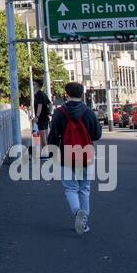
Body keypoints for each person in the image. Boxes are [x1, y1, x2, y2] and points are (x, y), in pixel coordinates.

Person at [46, 81, 102, 235]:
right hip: (86, 155)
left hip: (66, 155)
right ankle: (84, 223)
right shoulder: (89, 112)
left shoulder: (60, 112)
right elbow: (97, 135)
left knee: (71, 188)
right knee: (85, 189)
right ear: (82, 94)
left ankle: (77, 212)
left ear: (66, 94)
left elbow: (53, 136)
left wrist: (52, 154)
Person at [32, 88, 52, 155]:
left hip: (41, 118)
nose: (33, 86)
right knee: (45, 136)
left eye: (34, 84)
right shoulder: (44, 94)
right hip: (45, 117)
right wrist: (49, 112)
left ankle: (45, 153)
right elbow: (50, 104)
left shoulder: (38, 95)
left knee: (42, 136)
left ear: (37, 85)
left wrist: (37, 116)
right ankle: (47, 152)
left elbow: (39, 105)